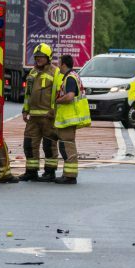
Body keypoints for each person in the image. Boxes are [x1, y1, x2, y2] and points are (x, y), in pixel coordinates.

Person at [20, 43, 61, 181]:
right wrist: (25, 110)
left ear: (48, 58)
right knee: (29, 143)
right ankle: (31, 172)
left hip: (48, 116)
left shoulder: (55, 72)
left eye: (42, 57)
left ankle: (50, 172)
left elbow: (58, 94)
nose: (38, 59)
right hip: (33, 117)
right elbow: (28, 94)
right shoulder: (32, 72)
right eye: (37, 56)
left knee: (49, 145)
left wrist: (54, 111)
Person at [48, 54, 91, 184]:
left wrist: (57, 101)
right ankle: (68, 175)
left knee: (67, 147)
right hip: (69, 118)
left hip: (69, 118)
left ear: (64, 64)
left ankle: (70, 176)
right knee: (66, 146)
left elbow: (70, 96)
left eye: (59, 63)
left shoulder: (70, 78)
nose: (57, 66)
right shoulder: (73, 76)